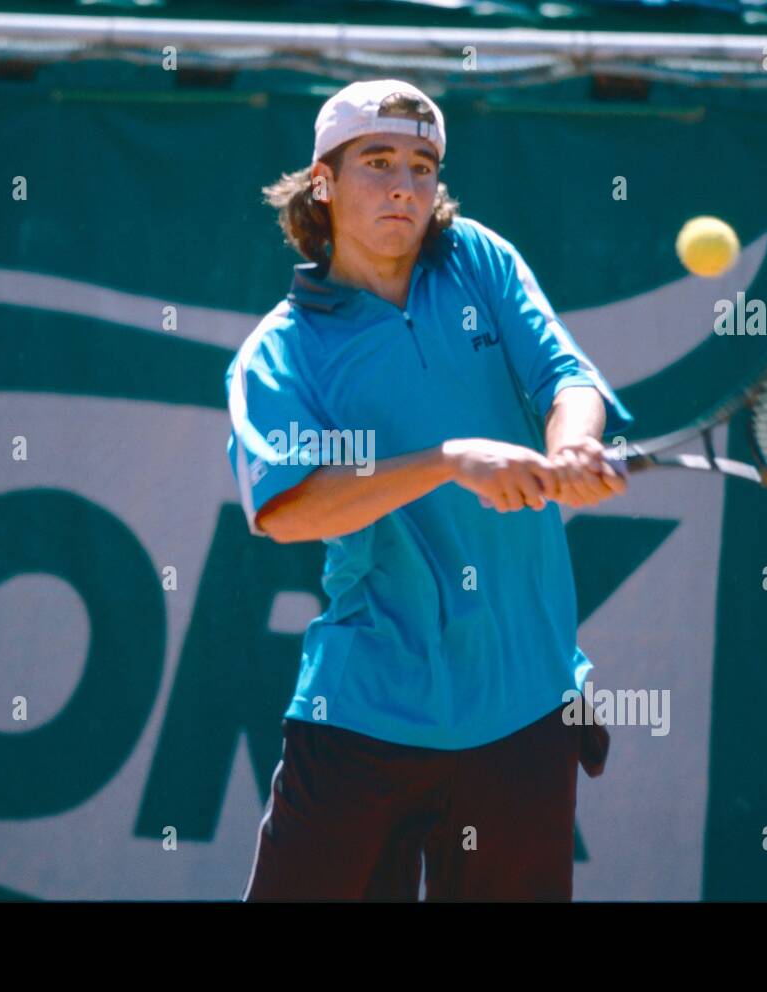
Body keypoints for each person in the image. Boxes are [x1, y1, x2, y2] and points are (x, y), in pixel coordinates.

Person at [225, 79, 630, 901]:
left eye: (421, 165)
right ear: (323, 183)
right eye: (378, 163)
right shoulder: (281, 352)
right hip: (362, 715)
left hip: (525, 705)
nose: (405, 186)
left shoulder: (476, 260)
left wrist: (573, 443)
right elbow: (290, 509)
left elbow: (565, 376)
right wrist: (449, 460)